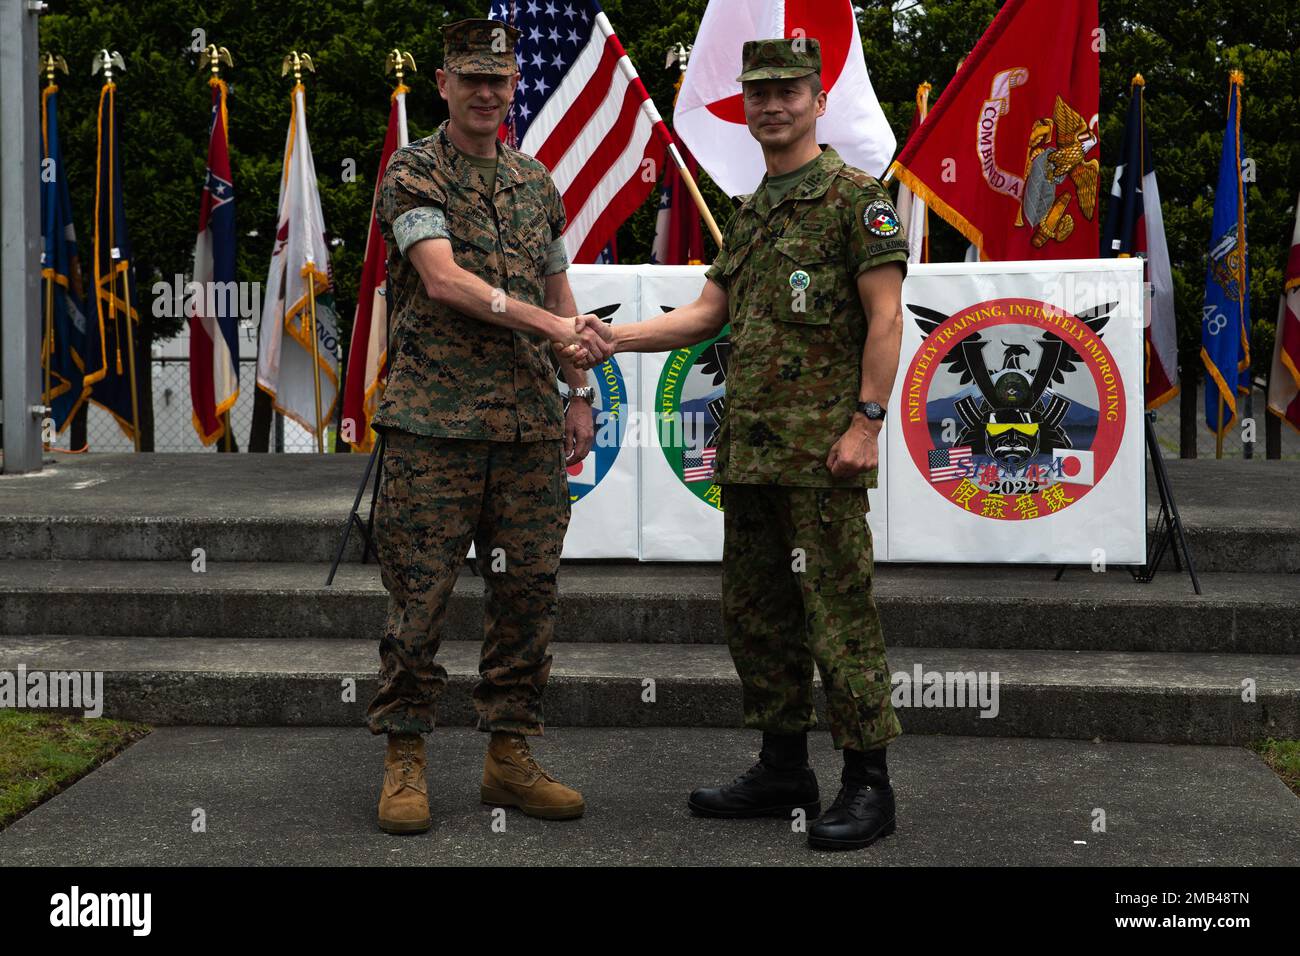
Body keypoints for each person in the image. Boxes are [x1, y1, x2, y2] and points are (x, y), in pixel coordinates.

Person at [584, 37, 906, 851]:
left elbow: (886, 316)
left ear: (818, 97)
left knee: (837, 616)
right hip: (754, 456)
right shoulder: (756, 209)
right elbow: (706, 315)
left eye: (787, 91)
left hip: (822, 457)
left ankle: (869, 783)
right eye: (758, 94)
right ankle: (782, 768)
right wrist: (611, 341)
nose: (771, 106)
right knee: (757, 617)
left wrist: (866, 424)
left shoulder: (854, 198)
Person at [365, 17, 614, 835]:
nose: (484, 92)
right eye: (469, 78)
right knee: (419, 600)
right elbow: (441, 281)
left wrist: (580, 392)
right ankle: (405, 757)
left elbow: (562, 288)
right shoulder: (413, 171)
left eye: (497, 80)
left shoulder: (536, 182)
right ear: (443, 83)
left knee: (528, 597)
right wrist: (547, 329)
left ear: (513, 88)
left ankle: (508, 757)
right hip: (434, 429)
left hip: (529, 431)